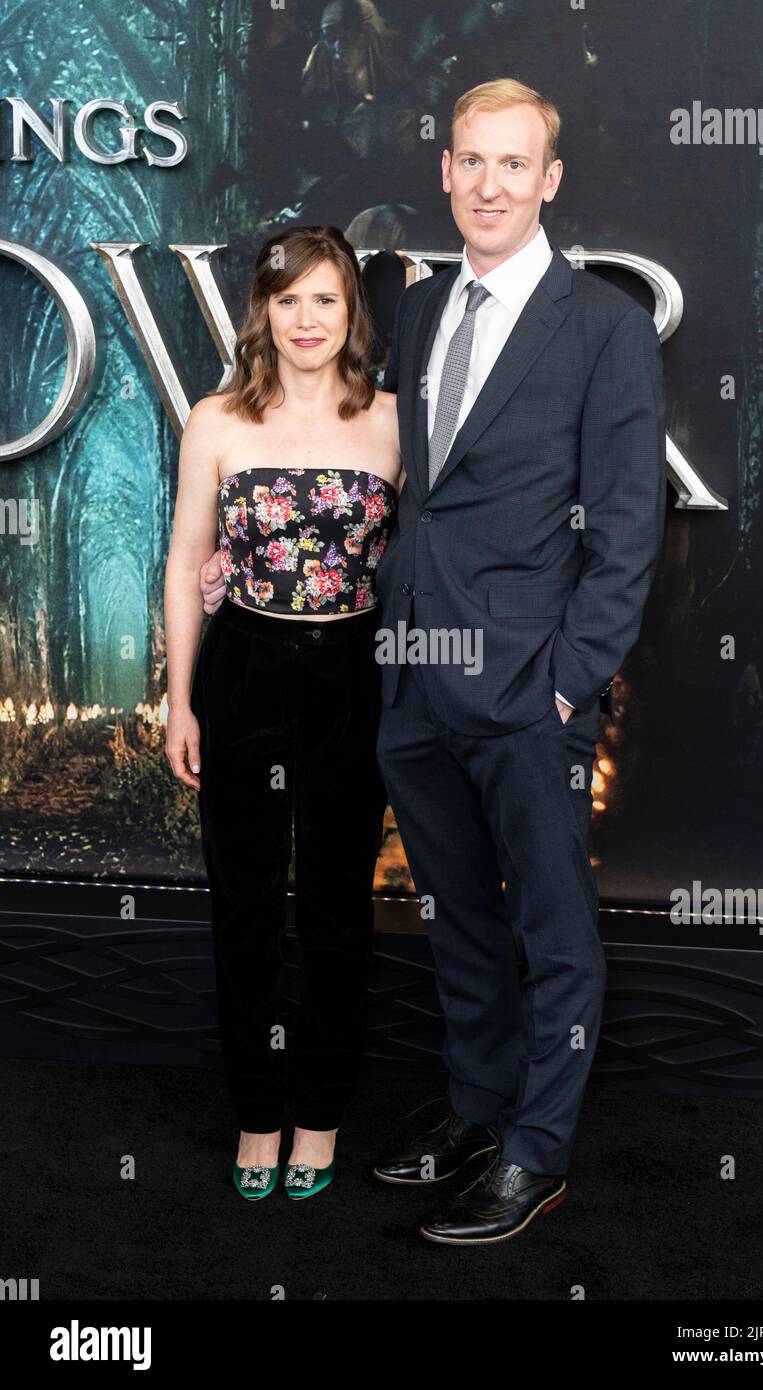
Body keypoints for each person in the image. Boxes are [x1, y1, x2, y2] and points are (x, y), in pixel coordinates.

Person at [201, 77, 666, 1245]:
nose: (489, 182)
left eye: (513, 164)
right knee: (457, 916)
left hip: (526, 695)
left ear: (548, 180)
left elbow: (622, 533)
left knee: (549, 933)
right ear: (446, 172)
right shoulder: (412, 308)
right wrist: (234, 569)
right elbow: (386, 488)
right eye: (470, 161)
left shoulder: (601, 327)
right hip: (406, 682)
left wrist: (565, 681)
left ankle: (535, 1154)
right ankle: (476, 1108)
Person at [164, 224, 400, 1201]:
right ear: (261, 310)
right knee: (247, 905)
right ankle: (257, 1116)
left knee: (340, 907)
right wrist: (180, 699)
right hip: (244, 672)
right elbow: (185, 561)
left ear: (351, 313)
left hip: (354, 676)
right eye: (286, 299)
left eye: (325, 300)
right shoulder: (216, 420)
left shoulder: (393, 420)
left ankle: (319, 1116)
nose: (305, 319)